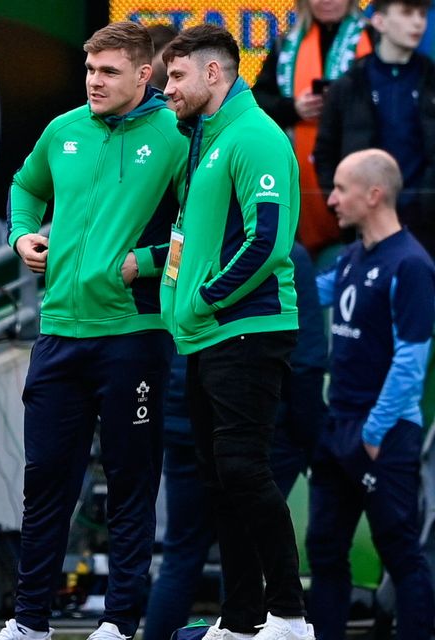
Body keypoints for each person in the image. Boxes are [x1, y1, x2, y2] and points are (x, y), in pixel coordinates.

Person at [0, 21, 186, 640]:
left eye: (108, 72)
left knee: (131, 485)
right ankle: (29, 623)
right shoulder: (64, 130)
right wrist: (23, 233)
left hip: (135, 332)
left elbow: (202, 223)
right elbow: (25, 188)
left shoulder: (178, 136)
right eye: (90, 71)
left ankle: (119, 622)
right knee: (45, 483)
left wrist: (150, 261)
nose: (94, 83)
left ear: (143, 75)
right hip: (59, 332)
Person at [160, 25, 313, 640]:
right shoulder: (204, 141)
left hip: (246, 328)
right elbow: (190, 242)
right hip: (204, 334)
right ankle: (244, 617)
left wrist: (202, 299)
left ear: (214, 74)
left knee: (244, 469)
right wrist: (158, 277)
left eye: (176, 76)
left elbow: (268, 240)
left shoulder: (253, 135)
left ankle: (291, 616)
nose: (165, 87)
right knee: (221, 478)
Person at [144, 243, 328, 640]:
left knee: (183, 553)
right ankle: (250, 624)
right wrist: (307, 436)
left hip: (184, 417)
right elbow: (310, 356)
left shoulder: (193, 246)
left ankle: (241, 625)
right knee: (243, 541)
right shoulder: (281, 253)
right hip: (251, 426)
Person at [306, 149, 435, 640]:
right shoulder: (351, 258)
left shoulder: (411, 265)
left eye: (341, 188)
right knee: (324, 549)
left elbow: (411, 360)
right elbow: (304, 294)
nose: (332, 199)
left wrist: (375, 431)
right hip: (336, 425)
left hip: (382, 434)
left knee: (400, 550)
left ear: (374, 194)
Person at [313, 0, 435, 256]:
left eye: (422, 15)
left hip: (426, 228)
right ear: (379, 21)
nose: (417, 22)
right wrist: (345, 201)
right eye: (407, 12)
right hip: (365, 227)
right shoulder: (349, 84)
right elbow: (324, 153)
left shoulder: (430, 79)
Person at [253, 0, 372, 255]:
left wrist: (340, 105)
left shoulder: (373, 37)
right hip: (300, 178)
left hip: (359, 172)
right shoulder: (286, 45)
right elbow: (258, 101)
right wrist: (294, 108)